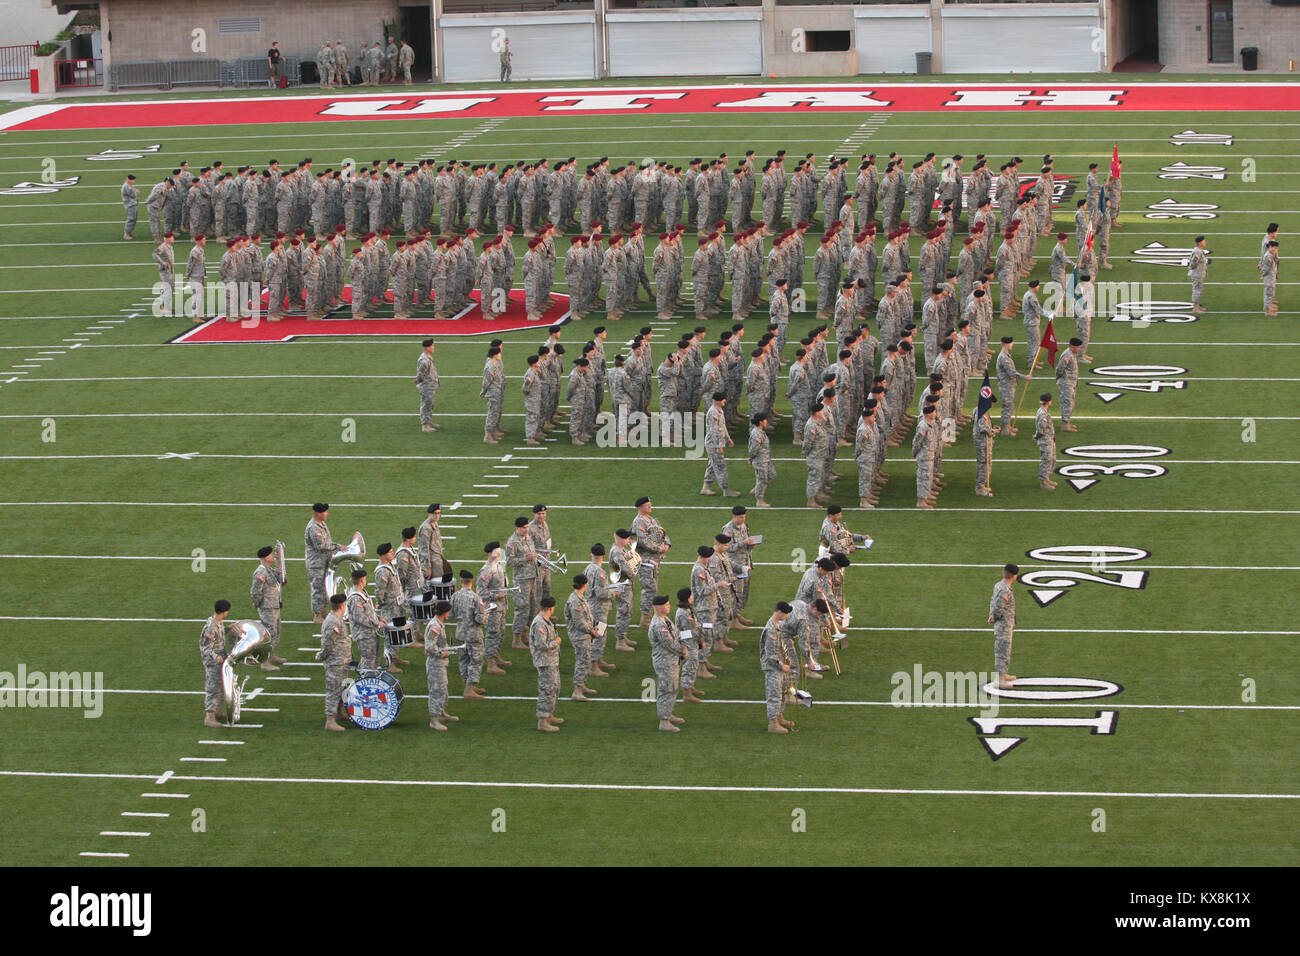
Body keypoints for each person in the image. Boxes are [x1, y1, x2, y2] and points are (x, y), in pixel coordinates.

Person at [648, 595, 687, 732]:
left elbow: (676, 635)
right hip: (665, 662)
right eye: (667, 604)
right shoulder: (659, 624)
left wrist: (685, 645)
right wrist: (683, 651)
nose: (669, 606)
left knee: (673, 688)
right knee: (667, 689)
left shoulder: (666, 620)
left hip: (671, 660)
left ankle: (668, 713)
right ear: (659, 607)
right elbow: (669, 643)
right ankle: (664, 722)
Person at [199, 599, 240, 728]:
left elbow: (219, 636)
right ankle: (209, 716)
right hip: (213, 662)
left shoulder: (218, 623)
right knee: (213, 687)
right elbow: (206, 647)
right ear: (224, 612)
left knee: (222, 685)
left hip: (221, 659)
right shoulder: (211, 627)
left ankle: (217, 710)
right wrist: (215, 656)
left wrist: (229, 628)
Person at [451, 569, 487, 700]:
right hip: (474, 635)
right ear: (472, 581)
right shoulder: (476, 598)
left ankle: (467, 684)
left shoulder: (455, 596)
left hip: (460, 633)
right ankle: (469, 689)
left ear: (461, 581)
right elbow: (480, 620)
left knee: (463, 660)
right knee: (476, 660)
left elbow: (450, 614)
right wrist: (486, 615)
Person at [318, 593, 351, 731]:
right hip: (335, 662)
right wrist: (322, 656)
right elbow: (328, 643)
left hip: (342, 660)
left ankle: (338, 712)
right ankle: (330, 721)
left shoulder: (337, 618)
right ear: (342, 605)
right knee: (333, 690)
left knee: (341, 688)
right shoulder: (333, 622)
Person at [565, 574, 600, 701]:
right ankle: (577, 691)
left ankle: (582, 685)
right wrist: (592, 632)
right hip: (579, 636)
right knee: (582, 661)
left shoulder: (579, 598)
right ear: (585, 585)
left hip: (584, 634)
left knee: (585, 660)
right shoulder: (575, 601)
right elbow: (579, 623)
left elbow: (587, 617)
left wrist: (594, 627)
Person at [530, 596, 562, 732]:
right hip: (545, 661)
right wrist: (557, 642)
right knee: (547, 690)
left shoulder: (545, 620)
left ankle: (548, 714)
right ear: (551, 608)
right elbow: (541, 645)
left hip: (551, 660)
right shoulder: (539, 624)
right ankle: (542, 721)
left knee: (555, 688)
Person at [506, 516, 539, 649]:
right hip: (521, 579)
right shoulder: (512, 542)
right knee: (522, 608)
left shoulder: (528, 537)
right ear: (517, 528)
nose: (526, 529)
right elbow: (509, 562)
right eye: (523, 528)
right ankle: (516, 638)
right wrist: (526, 558)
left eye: (527, 527)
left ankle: (525, 633)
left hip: (532, 576)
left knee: (533, 606)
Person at [424, 600, 457, 731]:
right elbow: (430, 647)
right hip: (435, 664)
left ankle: (441, 712)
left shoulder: (438, 624)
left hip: (439, 664)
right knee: (437, 690)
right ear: (444, 613)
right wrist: (443, 654)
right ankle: (434, 719)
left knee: (443, 689)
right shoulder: (435, 626)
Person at [250, 546, 284, 672]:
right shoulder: (260, 572)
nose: (273, 556)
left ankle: (272, 655)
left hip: (274, 605)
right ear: (265, 558)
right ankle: (265, 662)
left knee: (277, 632)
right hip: (267, 607)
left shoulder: (268, 570)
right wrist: (259, 604)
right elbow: (255, 591)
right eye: (271, 555)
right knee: (270, 634)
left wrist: (280, 560)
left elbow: (282, 578)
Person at [760, 602, 792, 734]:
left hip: (778, 666)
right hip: (773, 667)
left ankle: (779, 717)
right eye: (785, 614)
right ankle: (773, 723)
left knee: (782, 693)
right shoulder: (771, 629)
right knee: (774, 695)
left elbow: (779, 646)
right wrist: (782, 665)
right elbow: (770, 654)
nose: (786, 616)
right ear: (780, 612)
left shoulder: (776, 625)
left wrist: (786, 657)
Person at [701, 391, 739, 498]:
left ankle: (705, 488)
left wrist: (728, 438)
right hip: (713, 444)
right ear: (718, 400)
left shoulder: (719, 411)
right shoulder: (713, 413)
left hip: (716, 443)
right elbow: (714, 431)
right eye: (723, 399)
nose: (725, 401)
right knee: (720, 466)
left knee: (712, 465)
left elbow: (722, 427)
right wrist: (719, 446)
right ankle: (726, 490)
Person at [303, 503, 337, 624]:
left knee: (324, 587)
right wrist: (337, 547)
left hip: (324, 562)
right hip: (316, 564)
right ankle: (318, 615)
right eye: (325, 512)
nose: (326, 514)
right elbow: (321, 546)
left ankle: (323, 611)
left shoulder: (321, 524)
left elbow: (327, 541)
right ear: (318, 514)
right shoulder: (313, 528)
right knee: (318, 588)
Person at [988, 564, 1019, 690]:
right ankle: (1000, 679)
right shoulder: (1005, 589)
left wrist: (991, 615)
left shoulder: (999, 585)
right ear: (1014, 576)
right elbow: (999, 607)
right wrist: (994, 616)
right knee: (1002, 651)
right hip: (1004, 625)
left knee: (1005, 650)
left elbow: (993, 602)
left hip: (1005, 624)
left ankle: (1003, 673)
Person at [994, 337, 1029, 436]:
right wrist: (1025, 377)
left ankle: (1008, 425)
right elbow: (1012, 373)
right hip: (1006, 386)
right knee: (1007, 407)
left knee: (1010, 406)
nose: (1012, 344)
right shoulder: (1004, 358)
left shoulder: (1006, 356)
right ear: (1006, 344)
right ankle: (1005, 430)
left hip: (1008, 385)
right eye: (1011, 343)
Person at [1056, 337, 1082, 431]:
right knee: (1067, 403)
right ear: (1072, 346)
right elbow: (1059, 369)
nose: (1079, 349)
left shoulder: (1072, 354)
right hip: (1066, 383)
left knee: (1070, 403)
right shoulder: (1067, 355)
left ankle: (1067, 422)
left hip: (1071, 383)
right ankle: (1065, 425)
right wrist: (1062, 379)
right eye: (1078, 347)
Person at [1034, 392, 1057, 491]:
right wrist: (1037, 436)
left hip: (1049, 439)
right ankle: (1043, 482)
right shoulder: (1043, 414)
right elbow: (1042, 427)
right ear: (1049, 402)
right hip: (1045, 440)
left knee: (1051, 459)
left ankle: (1047, 478)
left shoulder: (1042, 411)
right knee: (1046, 460)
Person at [416, 338, 439, 433]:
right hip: (427, 386)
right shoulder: (424, 360)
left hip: (430, 385)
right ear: (427, 348)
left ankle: (428, 422)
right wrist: (418, 380)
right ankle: (425, 425)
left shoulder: (428, 357)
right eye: (432, 346)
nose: (434, 347)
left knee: (430, 405)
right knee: (426, 405)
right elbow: (421, 373)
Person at [1188, 235, 1208, 314]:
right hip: (1197, 274)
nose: (1205, 242)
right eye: (1203, 241)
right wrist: (1191, 267)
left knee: (1199, 290)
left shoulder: (1199, 250)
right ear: (1200, 243)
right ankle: (1195, 308)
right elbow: (1193, 261)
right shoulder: (1198, 251)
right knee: (1197, 290)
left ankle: (1198, 306)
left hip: (1199, 274)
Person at [1261, 239, 1279, 315]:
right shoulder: (1268, 257)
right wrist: (1263, 275)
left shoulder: (1271, 254)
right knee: (1269, 293)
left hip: (1271, 276)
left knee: (1270, 292)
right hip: (1269, 278)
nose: (1276, 249)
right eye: (1275, 248)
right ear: (1270, 247)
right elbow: (1266, 268)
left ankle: (1267, 306)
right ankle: (1268, 311)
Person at [122, 175, 139, 240]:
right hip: (130, 205)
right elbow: (134, 194)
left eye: (133, 180)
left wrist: (135, 191)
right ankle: (126, 234)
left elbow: (136, 191)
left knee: (134, 219)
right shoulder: (126, 186)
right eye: (131, 180)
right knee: (131, 219)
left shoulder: (129, 185)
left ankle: (129, 232)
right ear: (127, 179)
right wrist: (135, 191)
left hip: (132, 204)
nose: (133, 181)